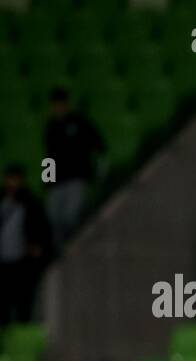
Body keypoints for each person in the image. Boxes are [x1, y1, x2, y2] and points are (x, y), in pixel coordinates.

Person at [43, 87, 104, 246]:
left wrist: (90, 170)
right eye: (55, 104)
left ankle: (74, 249)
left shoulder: (79, 122)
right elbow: (48, 155)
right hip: (57, 181)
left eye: (61, 103)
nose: (58, 107)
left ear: (66, 104)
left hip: (77, 178)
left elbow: (98, 145)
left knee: (71, 217)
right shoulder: (50, 126)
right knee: (54, 218)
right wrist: (47, 180)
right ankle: (59, 256)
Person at [0, 163, 51, 327]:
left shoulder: (31, 203)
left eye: (15, 179)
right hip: (3, 260)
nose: (12, 183)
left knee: (23, 302)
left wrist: (36, 247)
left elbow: (41, 228)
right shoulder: (2, 200)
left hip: (22, 261)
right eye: (10, 179)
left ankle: (20, 340)